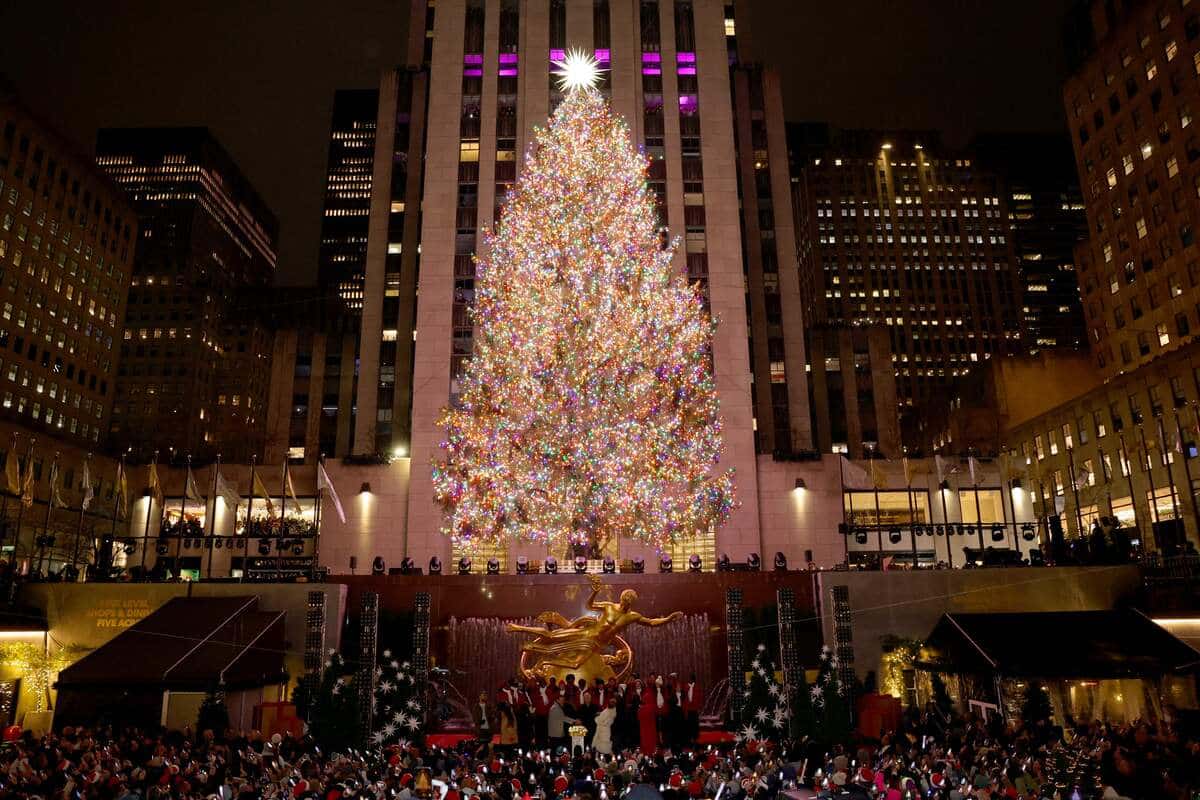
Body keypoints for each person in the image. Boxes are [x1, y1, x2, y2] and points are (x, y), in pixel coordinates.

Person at [638, 682, 658, 754]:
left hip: (644, 727)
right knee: (651, 738)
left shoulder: (642, 708)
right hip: (651, 726)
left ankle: (646, 751)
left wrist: (640, 708)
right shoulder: (652, 705)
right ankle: (651, 751)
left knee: (645, 738)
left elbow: (639, 717)